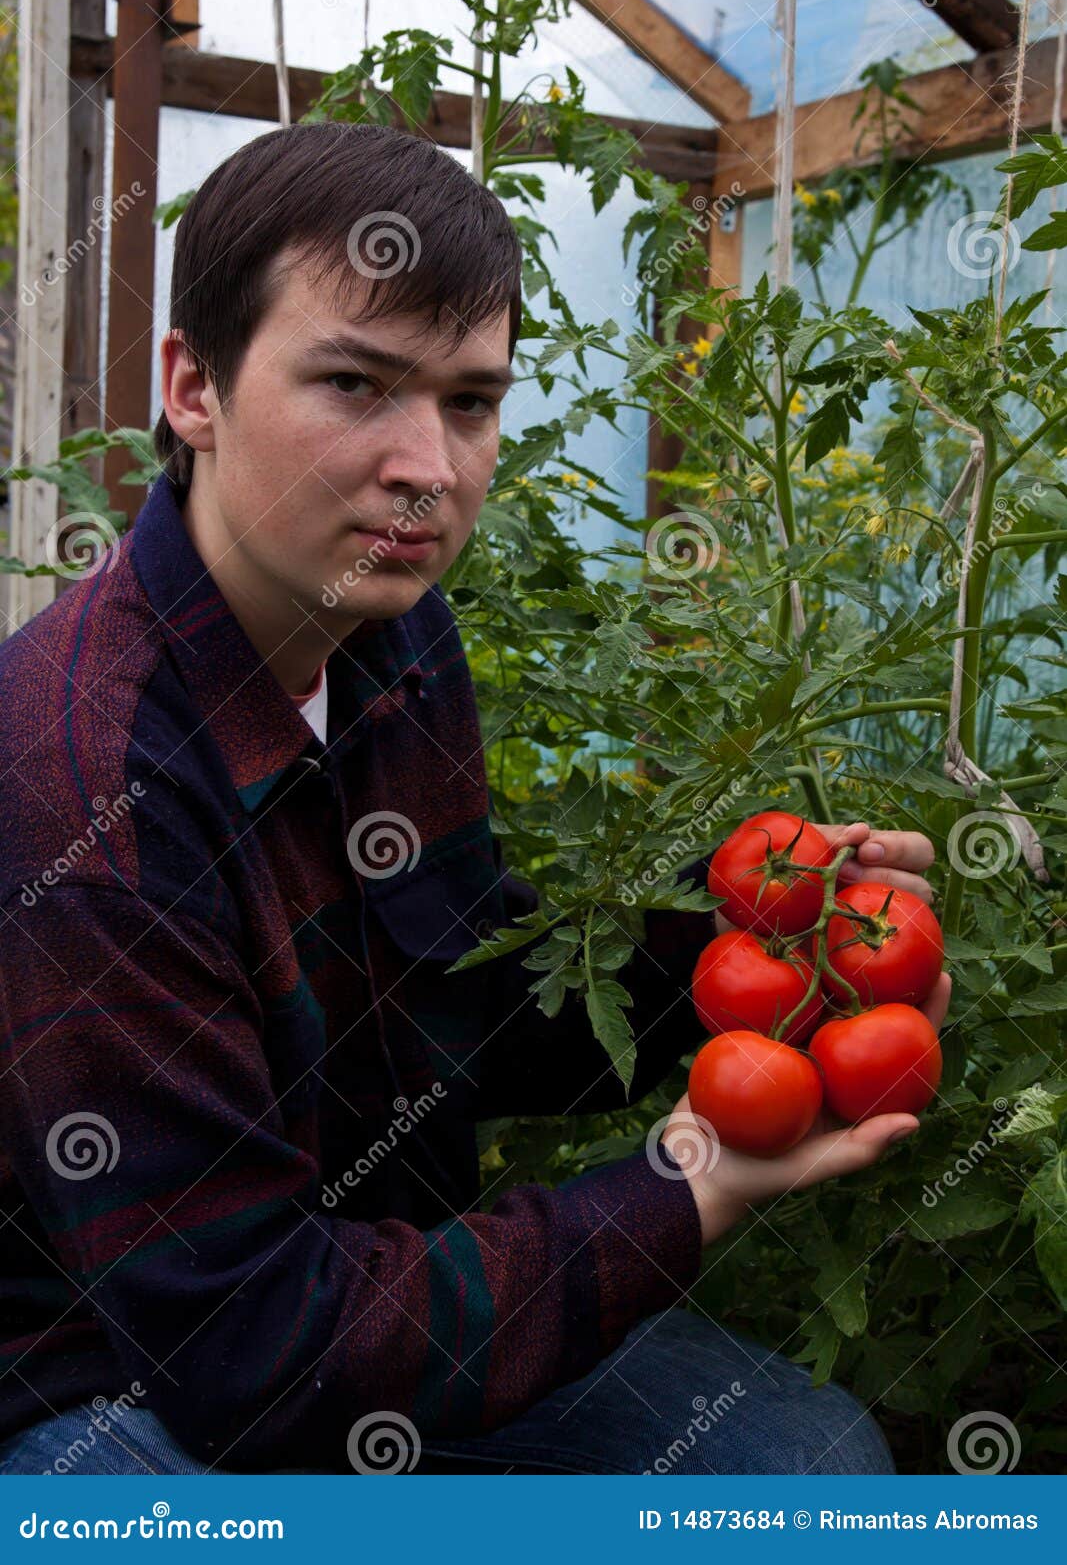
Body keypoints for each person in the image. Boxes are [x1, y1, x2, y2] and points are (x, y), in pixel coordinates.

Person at [0, 123, 948, 1477]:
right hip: (106, 1374)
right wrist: (687, 1189)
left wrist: (790, 964)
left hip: (352, 1284)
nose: (429, 468)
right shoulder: (81, 782)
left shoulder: (394, 640)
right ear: (192, 388)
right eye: (354, 383)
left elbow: (459, 978)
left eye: (468, 401)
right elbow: (245, 1346)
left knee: (803, 1459)